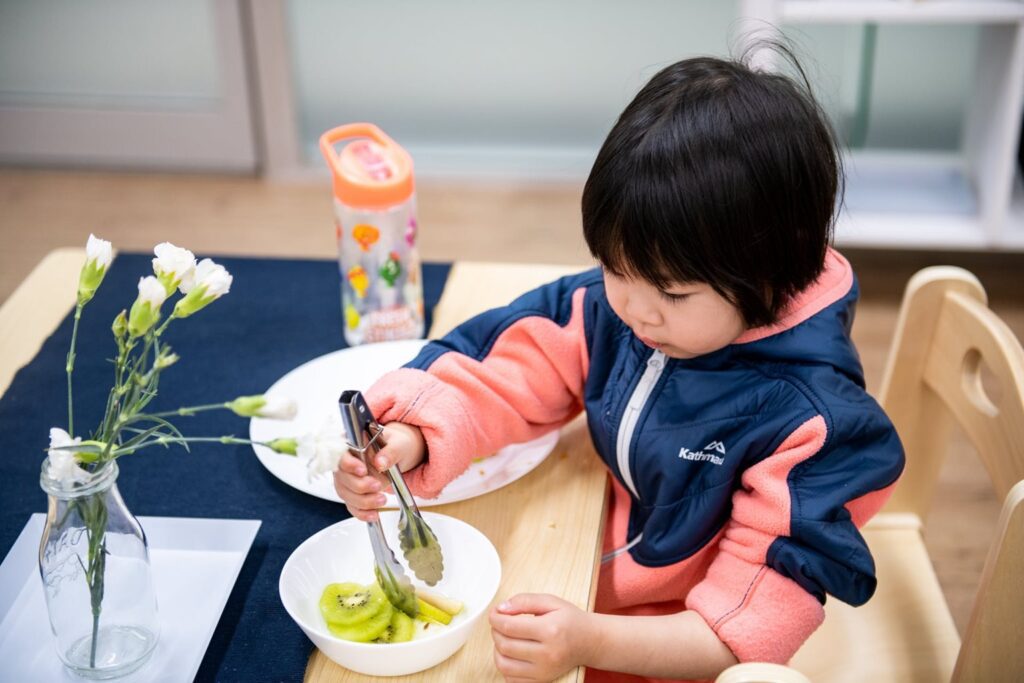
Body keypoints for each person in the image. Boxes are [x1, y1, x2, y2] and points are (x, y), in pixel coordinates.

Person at [333, 48, 905, 682]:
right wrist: (411, 439)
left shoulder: (815, 430)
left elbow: (740, 635)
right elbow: (516, 366)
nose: (632, 310)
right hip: (590, 562)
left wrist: (591, 643)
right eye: (614, 269)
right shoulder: (638, 305)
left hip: (664, 640)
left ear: (773, 272)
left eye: (671, 291)